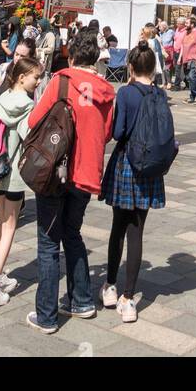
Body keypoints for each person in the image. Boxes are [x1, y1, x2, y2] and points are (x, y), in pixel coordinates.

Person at [26, 28, 115, 332]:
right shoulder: (106, 89)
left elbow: (34, 120)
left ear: (72, 53)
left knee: (49, 241)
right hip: (87, 174)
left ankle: (47, 315)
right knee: (72, 233)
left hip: (56, 172)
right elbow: (108, 132)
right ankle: (82, 300)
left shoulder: (62, 81)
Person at [100, 39, 173, 322]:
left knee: (118, 227)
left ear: (130, 68)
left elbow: (118, 132)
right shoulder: (159, 94)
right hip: (151, 168)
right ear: (153, 69)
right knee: (137, 231)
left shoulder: (126, 93)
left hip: (126, 163)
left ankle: (110, 286)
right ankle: (129, 299)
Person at [0, 57, 42, 310]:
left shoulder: (4, 96)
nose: (38, 81)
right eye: (35, 77)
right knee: (10, 227)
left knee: (0, 223)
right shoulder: (27, 104)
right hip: (14, 173)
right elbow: (27, 136)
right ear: (22, 78)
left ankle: (0, 274)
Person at [179, 15, 196, 104]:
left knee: (192, 77)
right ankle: (192, 96)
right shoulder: (186, 33)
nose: (185, 24)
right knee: (188, 78)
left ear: (192, 24)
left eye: (187, 23)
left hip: (194, 58)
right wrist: (180, 57)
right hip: (186, 59)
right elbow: (183, 46)